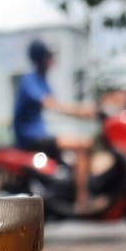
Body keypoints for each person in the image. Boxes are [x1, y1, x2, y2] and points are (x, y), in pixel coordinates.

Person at [13, 39, 103, 214]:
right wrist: (80, 112)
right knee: (84, 145)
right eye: (49, 56)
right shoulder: (29, 80)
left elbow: (55, 103)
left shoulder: (41, 80)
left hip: (40, 134)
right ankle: (83, 200)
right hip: (31, 138)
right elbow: (51, 104)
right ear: (40, 59)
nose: (52, 60)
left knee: (77, 153)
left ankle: (75, 190)